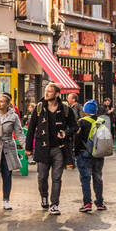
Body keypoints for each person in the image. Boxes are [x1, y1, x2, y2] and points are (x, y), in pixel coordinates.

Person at [26, 84, 73, 214]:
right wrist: (28, 147)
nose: (46, 94)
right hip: (42, 149)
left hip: (59, 149)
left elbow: (74, 126)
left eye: (50, 92)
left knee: (56, 178)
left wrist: (66, 133)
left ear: (57, 94)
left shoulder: (65, 109)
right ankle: (44, 197)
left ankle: (54, 204)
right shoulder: (39, 108)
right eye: (46, 91)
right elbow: (31, 128)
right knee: (42, 177)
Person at [74, 99, 109, 213]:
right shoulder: (101, 121)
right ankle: (99, 203)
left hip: (84, 153)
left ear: (85, 111)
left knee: (85, 178)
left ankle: (87, 203)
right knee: (98, 178)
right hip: (99, 154)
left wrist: (75, 153)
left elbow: (77, 139)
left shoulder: (82, 122)